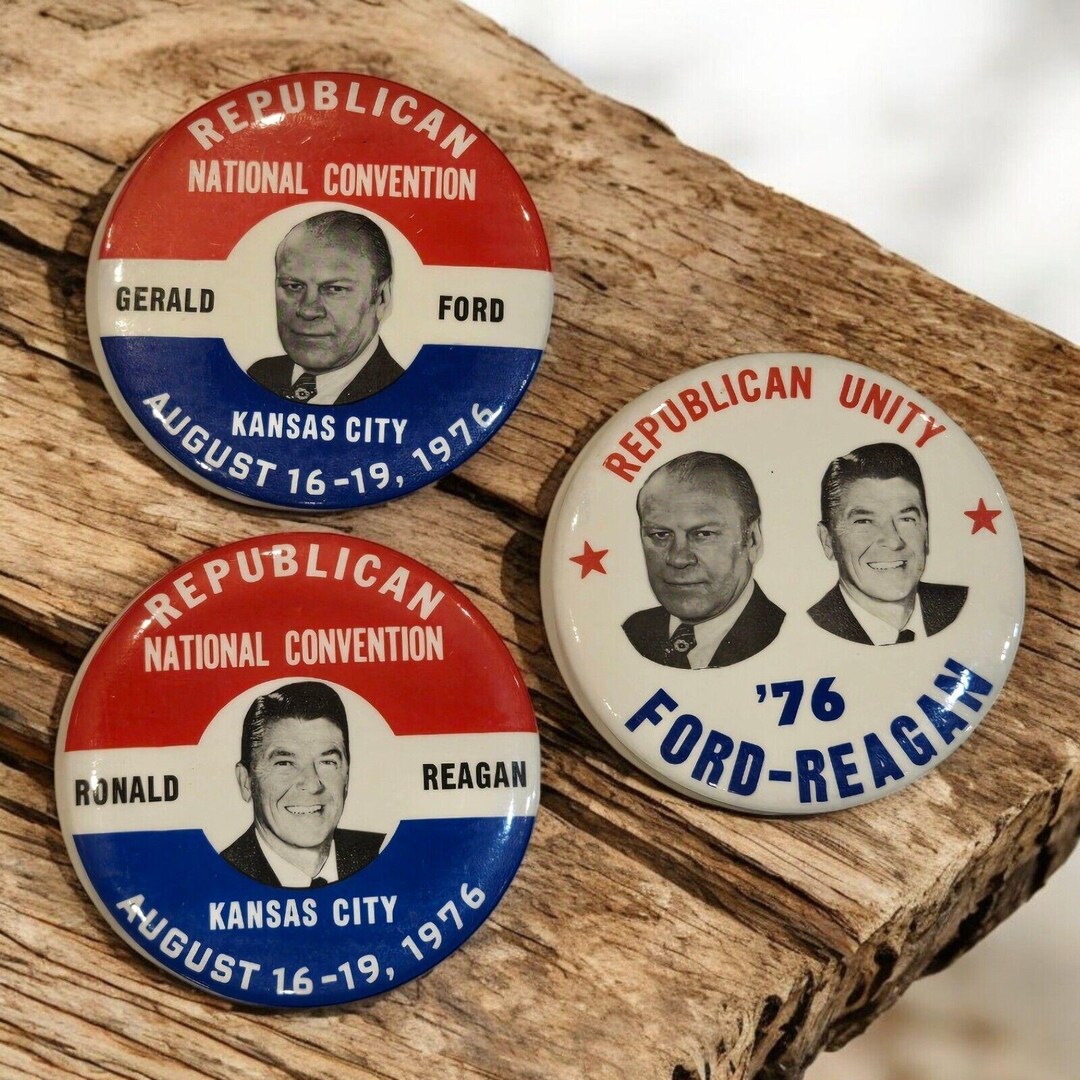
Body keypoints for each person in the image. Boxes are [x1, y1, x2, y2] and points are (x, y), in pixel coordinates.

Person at [623, 451, 785, 668]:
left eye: (703, 534)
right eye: (660, 535)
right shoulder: (632, 633)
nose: (679, 559)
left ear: (752, 540)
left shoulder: (784, 636)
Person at [220, 681, 384, 887]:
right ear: (246, 782)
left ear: (346, 775)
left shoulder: (384, 857)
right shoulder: (217, 876)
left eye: (327, 762)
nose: (313, 784)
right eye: (285, 763)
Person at [809, 442, 967, 645]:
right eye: (864, 521)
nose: (893, 541)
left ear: (926, 532)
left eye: (906, 519)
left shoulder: (967, 607)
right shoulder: (809, 630)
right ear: (828, 540)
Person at [247, 211, 404, 405]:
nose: (308, 310)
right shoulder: (258, 376)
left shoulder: (405, 398)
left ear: (381, 298)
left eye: (335, 289)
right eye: (293, 286)